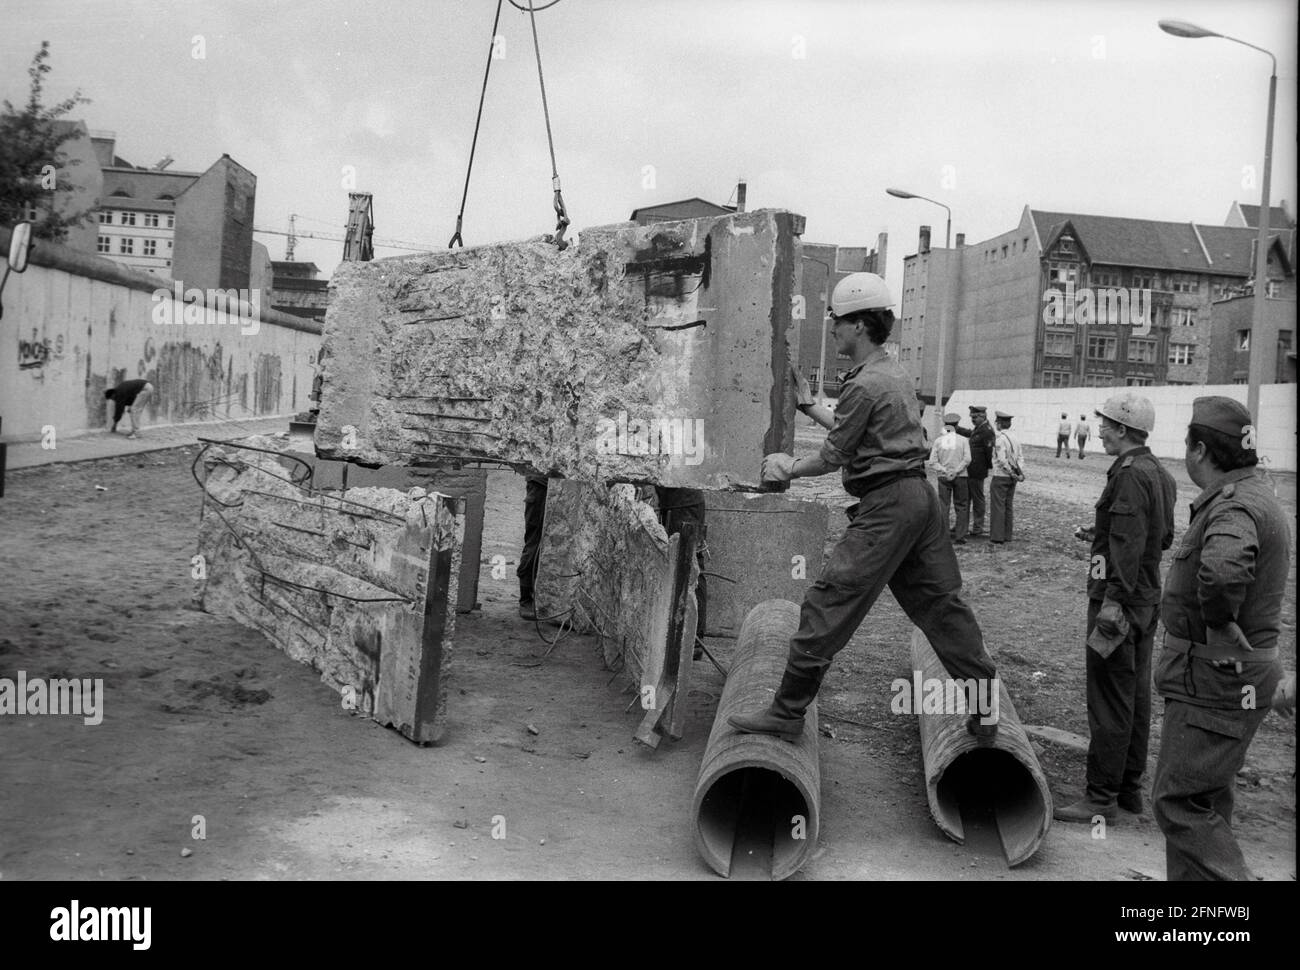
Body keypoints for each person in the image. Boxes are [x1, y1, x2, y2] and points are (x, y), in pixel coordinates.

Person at [726, 273, 1000, 741]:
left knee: (826, 602)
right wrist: (810, 407)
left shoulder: (865, 383)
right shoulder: (890, 375)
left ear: (859, 325)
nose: (833, 330)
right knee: (940, 607)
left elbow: (835, 455)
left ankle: (787, 714)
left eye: (837, 323)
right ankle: (985, 708)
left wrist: (786, 466)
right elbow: (858, 429)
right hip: (919, 501)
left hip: (888, 506)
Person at [1152, 396, 1291, 880]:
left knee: (1179, 802)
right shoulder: (1256, 495)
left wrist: (1219, 624)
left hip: (1214, 678)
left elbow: (1223, 570)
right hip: (1223, 678)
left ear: (1199, 451)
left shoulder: (1232, 505)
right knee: (1206, 799)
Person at [1055, 391, 1176, 824]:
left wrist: (1113, 602)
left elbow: (1128, 545)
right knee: (1135, 695)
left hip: (1118, 604)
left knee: (1108, 699)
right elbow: (1157, 539)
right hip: (1145, 600)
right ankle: (1128, 790)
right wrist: (1100, 534)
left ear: (1123, 429)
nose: (1100, 429)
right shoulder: (1159, 473)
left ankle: (1100, 795)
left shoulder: (1127, 474)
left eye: (1105, 423)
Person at [928, 412, 971, 544]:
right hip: (961, 476)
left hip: (943, 477)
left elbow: (932, 462)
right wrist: (956, 471)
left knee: (943, 505)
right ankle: (960, 535)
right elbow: (967, 459)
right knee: (962, 505)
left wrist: (945, 470)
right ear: (957, 425)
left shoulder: (938, 441)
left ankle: (944, 535)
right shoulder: (963, 440)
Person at [957, 404, 995, 538]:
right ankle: (963, 526)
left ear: (983, 416)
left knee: (978, 500)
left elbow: (989, 452)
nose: (972, 420)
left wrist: (987, 467)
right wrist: (957, 428)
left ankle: (978, 527)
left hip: (978, 471)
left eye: (975, 417)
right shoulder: (979, 428)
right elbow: (971, 434)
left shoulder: (987, 431)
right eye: (971, 417)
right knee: (966, 499)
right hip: (970, 470)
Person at [517, 469, 549, 620]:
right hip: (540, 486)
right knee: (534, 545)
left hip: (555, 486)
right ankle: (526, 600)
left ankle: (538, 597)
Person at [989, 410, 1024, 544]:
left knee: (998, 506)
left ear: (1000, 424)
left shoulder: (1000, 439)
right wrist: (1017, 473)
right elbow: (1020, 458)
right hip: (1013, 478)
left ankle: (997, 536)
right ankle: (1007, 535)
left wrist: (1010, 472)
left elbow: (1002, 460)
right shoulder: (1015, 438)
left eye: (997, 422)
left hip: (1001, 476)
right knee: (1008, 506)